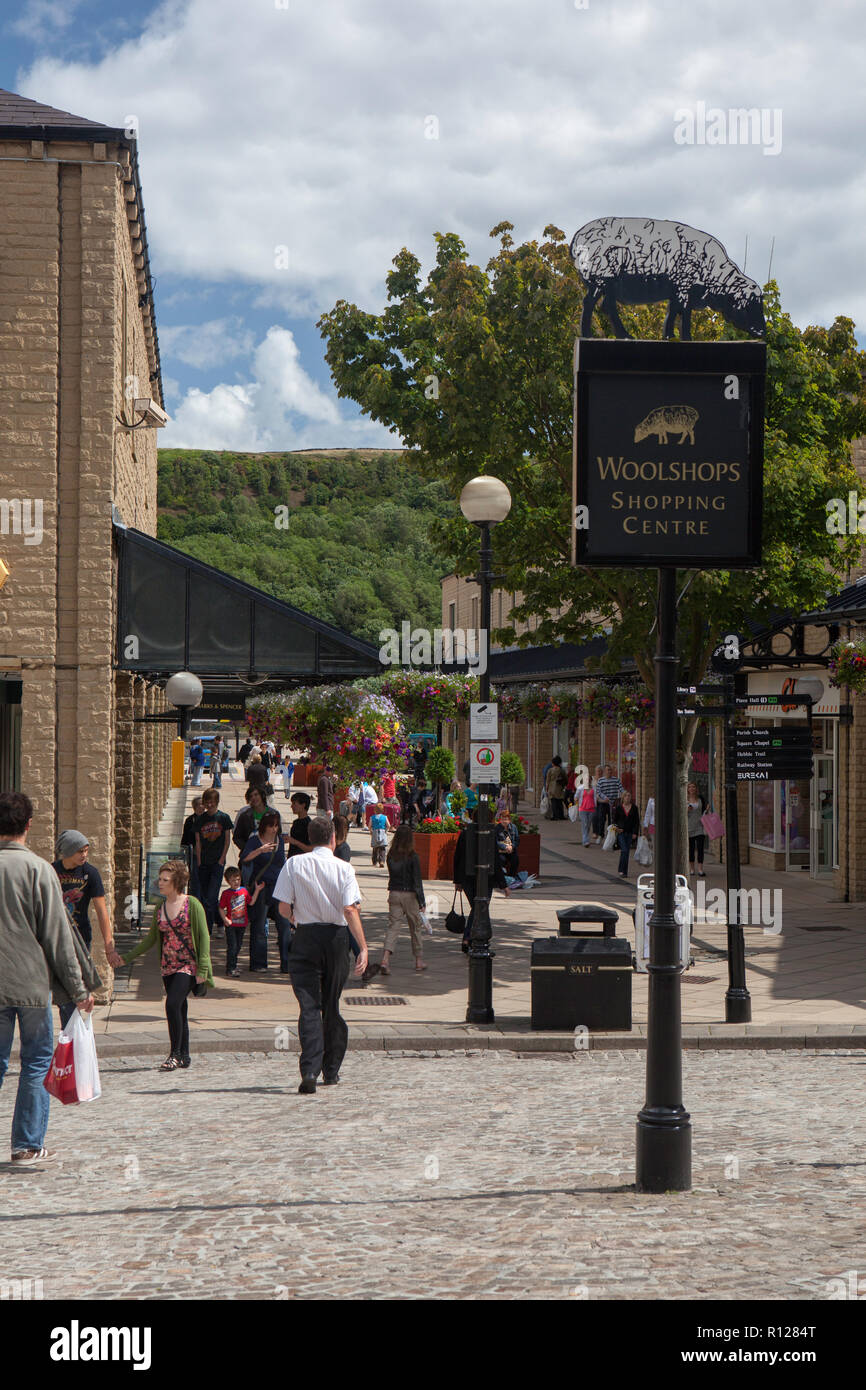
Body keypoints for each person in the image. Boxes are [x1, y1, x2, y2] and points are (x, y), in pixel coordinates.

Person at [0, 792, 94, 1166]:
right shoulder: (40, 871)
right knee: (37, 1061)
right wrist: (78, 989)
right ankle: (26, 1144)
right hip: (31, 984)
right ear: (29, 825)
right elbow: (57, 938)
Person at [272, 817, 368, 1093]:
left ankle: (310, 1069)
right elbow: (350, 909)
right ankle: (332, 1069)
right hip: (335, 939)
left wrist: (296, 921)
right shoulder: (344, 868)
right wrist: (362, 946)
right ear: (334, 839)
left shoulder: (294, 864)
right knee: (332, 1004)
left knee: (309, 1005)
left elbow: (281, 907)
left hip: (306, 936)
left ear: (311, 838)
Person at [113, 860, 212, 1071]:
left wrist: (203, 969)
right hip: (167, 967)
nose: (160, 882)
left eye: (165, 880)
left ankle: (174, 1054)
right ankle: (185, 1055)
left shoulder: (192, 904)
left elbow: (204, 937)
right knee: (180, 1009)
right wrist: (126, 958)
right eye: (160, 878)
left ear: (177, 882)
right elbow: (150, 940)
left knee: (172, 1005)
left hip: (188, 965)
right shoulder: (160, 907)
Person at [51, 830, 115, 1028]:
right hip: (55, 940)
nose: (84, 855)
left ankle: (74, 1032)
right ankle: (69, 1031)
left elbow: (102, 911)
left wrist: (108, 945)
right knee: (63, 992)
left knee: (77, 988)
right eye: (80, 851)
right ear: (68, 851)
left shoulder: (90, 874)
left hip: (80, 940)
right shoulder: (51, 871)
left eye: (86, 850)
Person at [453, 810, 508, 954]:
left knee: (476, 908)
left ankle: (470, 939)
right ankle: (475, 940)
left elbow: (457, 857)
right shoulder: (489, 834)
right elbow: (495, 859)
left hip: (467, 878)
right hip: (485, 879)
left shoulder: (465, 833)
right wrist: (504, 885)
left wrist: (457, 881)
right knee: (480, 908)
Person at [240, 810, 286, 972]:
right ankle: (258, 963)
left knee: (284, 926)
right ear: (264, 827)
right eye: (271, 826)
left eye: (276, 826)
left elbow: (282, 863)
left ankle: (286, 963)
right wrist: (260, 850)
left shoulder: (280, 841)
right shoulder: (254, 841)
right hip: (261, 888)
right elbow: (244, 858)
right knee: (259, 926)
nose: (274, 829)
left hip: (279, 889)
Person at [379, 824, 427, 975]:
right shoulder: (413, 856)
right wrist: (422, 902)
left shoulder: (391, 855)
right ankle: (418, 960)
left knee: (393, 927)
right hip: (410, 894)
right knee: (415, 927)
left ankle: (385, 960)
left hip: (394, 892)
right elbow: (417, 881)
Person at [194, 789, 233, 935]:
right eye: (207, 802)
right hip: (203, 861)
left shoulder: (223, 818)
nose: (209, 805)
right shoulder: (200, 820)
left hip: (217, 862)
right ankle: (219, 922)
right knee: (206, 898)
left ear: (216, 802)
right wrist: (198, 860)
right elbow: (197, 841)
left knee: (210, 898)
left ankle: (207, 930)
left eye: (212, 802)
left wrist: (222, 859)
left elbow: (227, 840)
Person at [218, 865, 250, 978]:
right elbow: (221, 907)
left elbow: (251, 902)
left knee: (238, 945)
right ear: (228, 881)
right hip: (231, 924)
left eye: (238, 879)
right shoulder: (226, 893)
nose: (236, 882)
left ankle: (234, 965)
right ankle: (230, 968)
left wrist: (258, 890)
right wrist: (225, 919)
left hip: (242, 923)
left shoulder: (244, 891)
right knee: (232, 946)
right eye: (233, 880)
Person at [232, 786, 282, 854]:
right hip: (250, 856)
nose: (253, 798)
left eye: (256, 795)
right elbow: (237, 837)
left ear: (262, 796)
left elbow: (278, 834)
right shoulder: (245, 816)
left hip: (270, 855)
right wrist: (247, 848)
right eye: (251, 796)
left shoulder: (274, 814)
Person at [612, 791, 641, 878]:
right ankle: (621, 870)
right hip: (621, 832)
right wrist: (616, 828)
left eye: (629, 796)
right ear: (623, 798)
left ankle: (624, 870)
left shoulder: (634, 808)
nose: (628, 798)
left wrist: (635, 832)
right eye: (626, 796)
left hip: (630, 832)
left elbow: (636, 821)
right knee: (624, 850)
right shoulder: (619, 808)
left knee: (626, 852)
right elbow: (614, 820)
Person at [181, 795, 204, 898]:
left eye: (202, 804)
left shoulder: (208, 819)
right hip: (193, 854)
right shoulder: (190, 820)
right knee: (195, 878)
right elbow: (185, 837)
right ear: (194, 807)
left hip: (206, 854)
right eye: (198, 805)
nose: (201, 807)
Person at [594, 764, 623, 841]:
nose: (610, 771)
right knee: (601, 819)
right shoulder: (601, 780)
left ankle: (610, 836)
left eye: (610, 770)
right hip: (604, 803)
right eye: (608, 770)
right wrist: (604, 798)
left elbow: (621, 789)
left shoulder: (616, 780)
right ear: (604, 771)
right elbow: (598, 791)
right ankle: (601, 835)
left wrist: (624, 795)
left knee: (612, 820)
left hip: (613, 804)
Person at [686, 781, 707, 877]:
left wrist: (707, 809)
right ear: (687, 789)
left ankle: (700, 869)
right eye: (690, 787)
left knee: (700, 848)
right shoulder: (685, 800)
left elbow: (705, 809)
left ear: (696, 788)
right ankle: (691, 869)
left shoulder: (700, 799)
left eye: (693, 787)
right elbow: (680, 814)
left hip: (700, 827)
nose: (691, 789)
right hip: (689, 827)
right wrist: (686, 810)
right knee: (691, 849)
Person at [286, 791, 313, 856]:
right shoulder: (296, 822)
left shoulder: (310, 825)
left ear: (303, 805)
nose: (291, 806)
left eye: (294, 804)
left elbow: (311, 849)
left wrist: (295, 842)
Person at [495, 810, 520, 878]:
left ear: (509, 820)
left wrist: (512, 846)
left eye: (506, 819)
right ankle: (502, 878)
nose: (504, 821)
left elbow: (517, 840)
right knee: (501, 860)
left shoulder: (513, 827)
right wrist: (505, 847)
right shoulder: (497, 828)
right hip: (501, 851)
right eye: (502, 819)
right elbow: (495, 841)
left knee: (515, 860)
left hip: (511, 850)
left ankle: (511, 877)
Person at [545, 756, 567, 820]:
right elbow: (566, 779)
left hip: (551, 788)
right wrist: (564, 785)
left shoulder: (550, 770)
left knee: (553, 802)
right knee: (560, 802)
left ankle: (555, 815)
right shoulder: (562, 770)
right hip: (559, 788)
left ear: (553, 763)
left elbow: (547, 780)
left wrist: (547, 788)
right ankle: (561, 815)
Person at [577, 779, 596, 847]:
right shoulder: (580, 788)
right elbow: (576, 796)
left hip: (591, 809)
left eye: (589, 780)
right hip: (582, 808)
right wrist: (575, 799)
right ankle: (586, 841)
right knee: (585, 824)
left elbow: (596, 797)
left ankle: (585, 839)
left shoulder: (594, 788)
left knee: (588, 825)